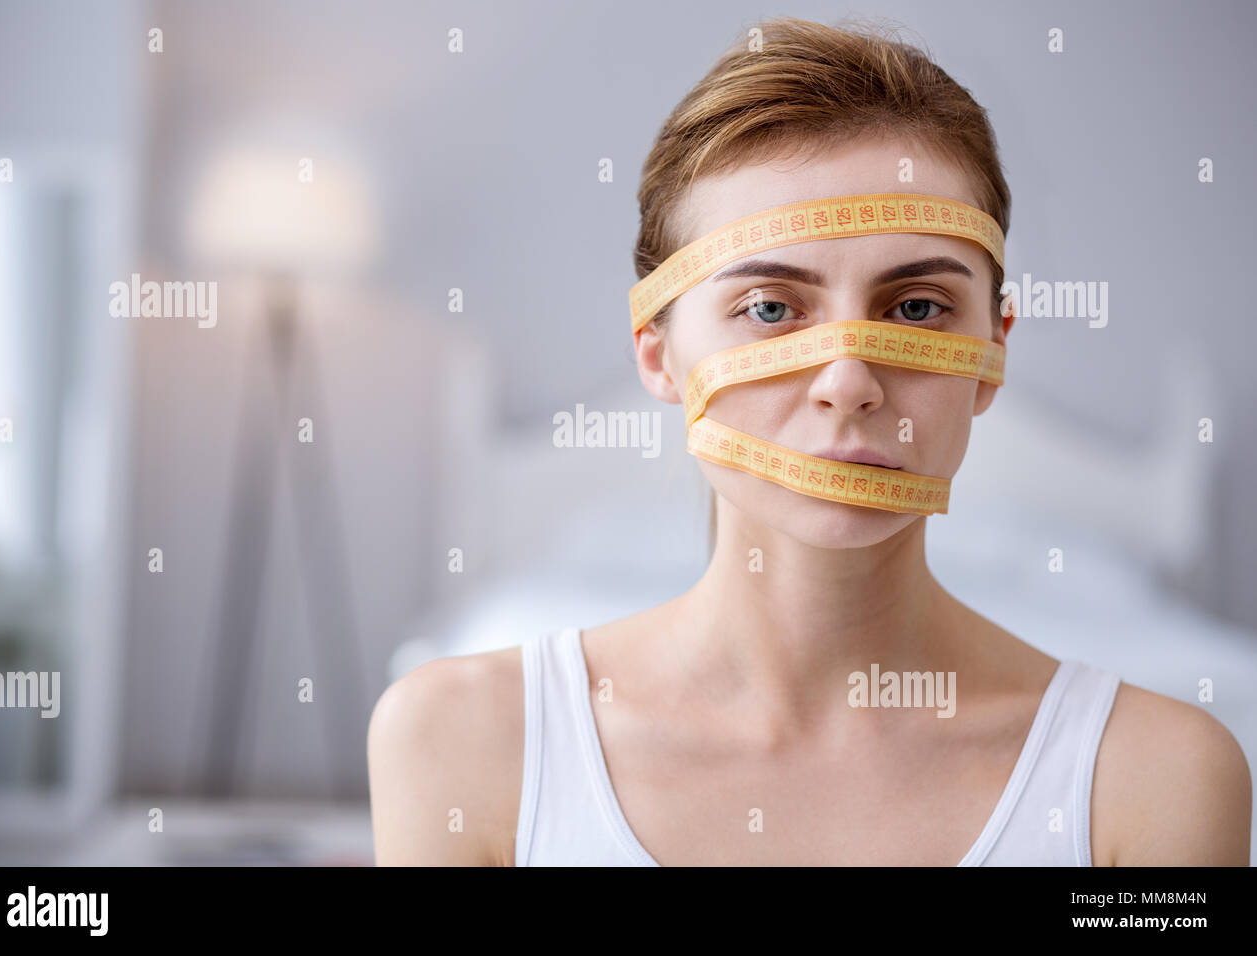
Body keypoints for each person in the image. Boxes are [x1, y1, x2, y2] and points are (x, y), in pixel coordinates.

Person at [368, 16, 1251, 866]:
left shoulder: (1154, 779)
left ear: (992, 354)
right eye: (769, 310)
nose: (849, 381)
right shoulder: (460, 741)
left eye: (915, 309)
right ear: (660, 357)